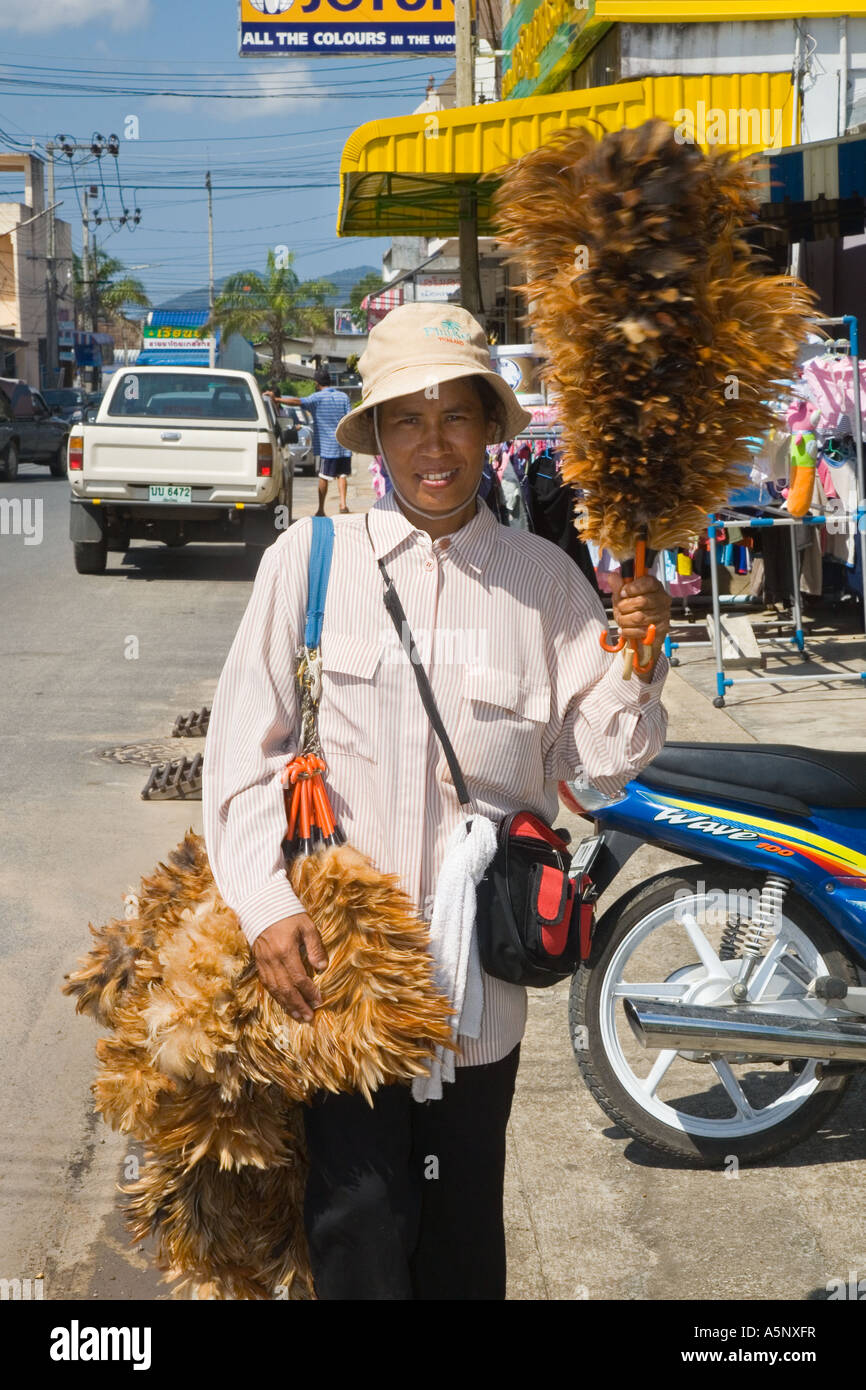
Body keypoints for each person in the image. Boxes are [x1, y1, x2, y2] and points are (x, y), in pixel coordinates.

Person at [202, 302, 671, 1301]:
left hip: (478, 991)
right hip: (338, 974)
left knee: (461, 1239)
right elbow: (243, 754)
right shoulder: (310, 563)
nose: (432, 443)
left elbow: (596, 773)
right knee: (358, 1224)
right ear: (372, 435)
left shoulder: (549, 585)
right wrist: (266, 904)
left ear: (489, 431)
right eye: (405, 418)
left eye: (454, 415)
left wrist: (637, 658)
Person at [281, 368, 353, 515]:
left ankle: (321, 509)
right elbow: (349, 419)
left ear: (316, 383)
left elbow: (297, 401)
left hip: (328, 447)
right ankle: (343, 505)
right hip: (344, 444)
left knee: (323, 477)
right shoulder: (343, 397)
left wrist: (277, 399)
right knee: (342, 475)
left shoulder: (316, 398)